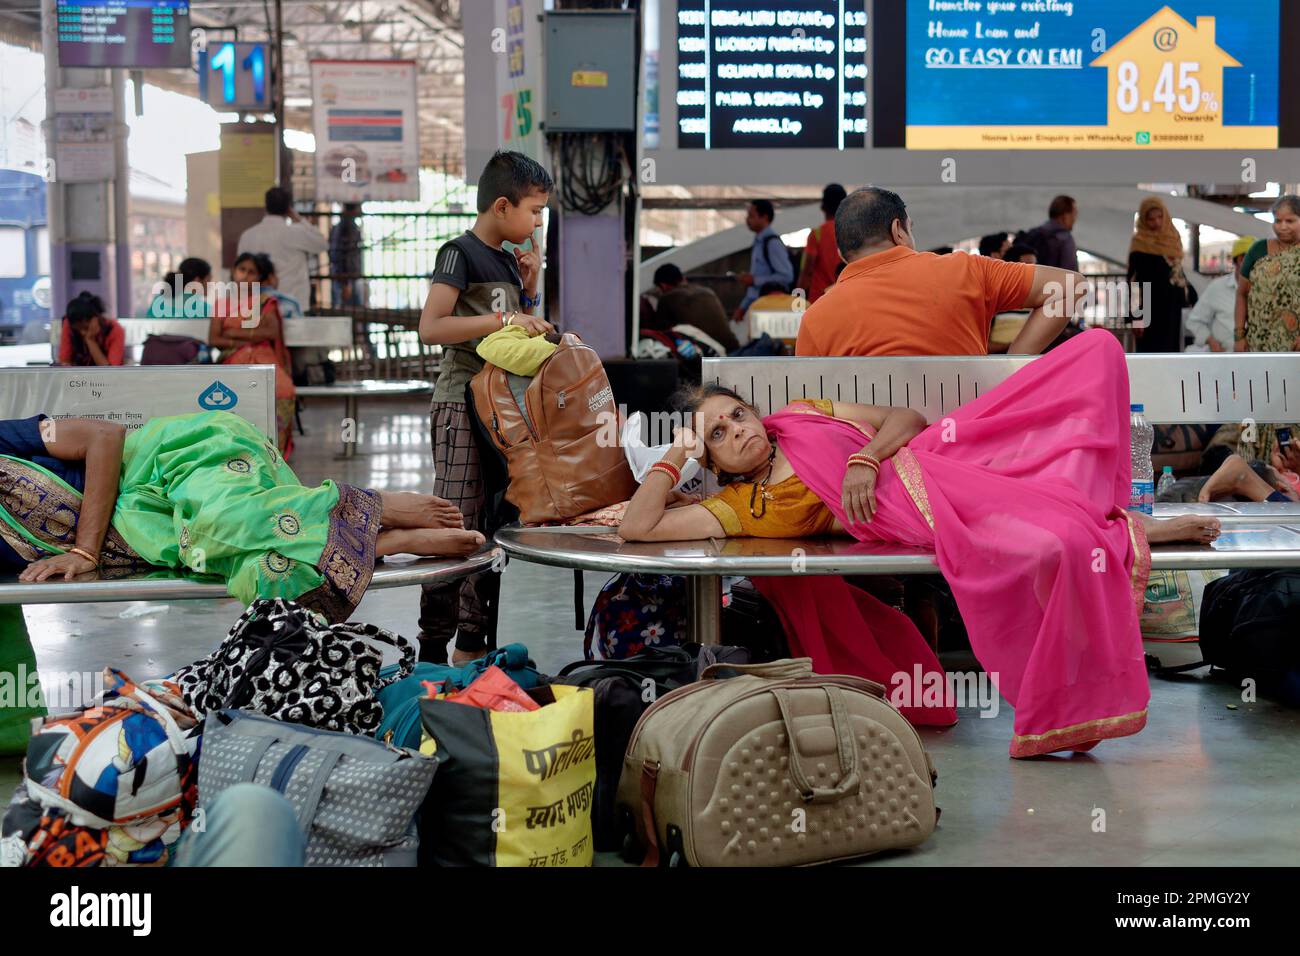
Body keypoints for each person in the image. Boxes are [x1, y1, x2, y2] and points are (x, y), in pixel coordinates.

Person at [620, 330, 1221, 757]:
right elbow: (638, 528)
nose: (738, 432)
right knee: (1054, 541)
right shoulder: (737, 508)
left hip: (934, 460)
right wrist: (677, 453)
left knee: (1096, 352)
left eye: (737, 415)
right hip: (932, 515)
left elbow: (904, 419)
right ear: (711, 459)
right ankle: (1129, 532)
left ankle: (1122, 525)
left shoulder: (803, 416)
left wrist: (864, 456)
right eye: (718, 435)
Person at [1, 412, 483, 621]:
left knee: (219, 522)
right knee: (261, 576)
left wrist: (84, 549)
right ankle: (382, 543)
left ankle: (367, 506)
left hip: (171, 465)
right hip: (150, 534)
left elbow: (104, 437)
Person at [417, 149, 553, 665]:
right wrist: (504, 322)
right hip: (460, 406)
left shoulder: (508, 261)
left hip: (500, 412)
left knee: (490, 529)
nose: (538, 221)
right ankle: (431, 650)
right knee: (454, 524)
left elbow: (516, 329)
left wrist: (530, 290)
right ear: (502, 206)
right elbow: (432, 327)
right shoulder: (460, 253)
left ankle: (473, 645)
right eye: (534, 210)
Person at [796, 186, 1081, 357]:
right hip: (967, 443)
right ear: (898, 231)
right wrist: (1010, 366)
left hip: (869, 452)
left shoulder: (815, 320)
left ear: (842, 254)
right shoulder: (966, 270)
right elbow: (1070, 287)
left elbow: (810, 411)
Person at [1234, 194, 1300, 463]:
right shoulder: (1258, 250)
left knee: (1290, 401)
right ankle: (1254, 468)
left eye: (1290, 220)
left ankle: (1290, 468)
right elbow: (1242, 294)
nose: (1283, 226)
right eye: (1277, 221)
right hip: (1259, 344)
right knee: (1257, 401)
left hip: (1294, 348)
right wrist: (1239, 334)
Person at [209, 252, 296, 456]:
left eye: (252, 272)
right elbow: (214, 339)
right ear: (233, 271)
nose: (245, 276)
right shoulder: (222, 303)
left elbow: (271, 332)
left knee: (284, 390)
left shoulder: (266, 301)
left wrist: (232, 333)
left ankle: (275, 454)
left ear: (259, 278)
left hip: (264, 357)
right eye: (242, 270)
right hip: (233, 359)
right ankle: (238, 453)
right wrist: (252, 336)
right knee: (235, 395)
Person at [236, 187, 328, 311]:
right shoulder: (296, 233)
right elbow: (322, 244)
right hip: (293, 304)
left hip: (258, 305)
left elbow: (241, 270)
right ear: (288, 209)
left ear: (266, 206)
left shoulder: (248, 235)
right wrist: (299, 219)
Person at [1127, 197, 1197, 354]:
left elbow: (1178, 274)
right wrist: (1137, 316)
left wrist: (1193, 298)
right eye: (1151, 219)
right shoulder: (1140, 243)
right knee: (1152, 358)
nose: (1157, 222)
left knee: (1175, 356)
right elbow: (1134, 282)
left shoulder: (1172, 239)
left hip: (1175, 310)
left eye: (1160, 217)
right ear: (1144, 221)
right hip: (1152, 313)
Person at [648, 263, 738, 353]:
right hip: (733, 349)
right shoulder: (707, 291)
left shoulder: (667, 298)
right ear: (682, 278)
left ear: (663, 285)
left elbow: (661, 334)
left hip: (709, 355)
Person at [1186, 236, 1254, 353]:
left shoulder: (1267, 290)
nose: (1250, 264)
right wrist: (1211, 341)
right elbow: (1194, 321)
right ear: (1236, 261)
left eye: (1254, 259)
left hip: (1258, 359)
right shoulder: (1217, 287)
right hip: (1223, 358)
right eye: (1244, 258)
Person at [732, 199, 794, 324]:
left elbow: (786, 276)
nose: (747, 220)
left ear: (764, 217)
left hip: (771, 309)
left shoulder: (772, 243)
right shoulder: (759, 242)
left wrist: (755, 280)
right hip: (760, 307)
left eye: (751, 216)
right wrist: (743, 306)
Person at [796, 183, 847, 304]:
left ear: (823, 207)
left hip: (819, 301)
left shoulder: (816, 234)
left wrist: (796, 299)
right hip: (844, 298)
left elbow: (806, 272)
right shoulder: (853, 233)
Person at [58, 292, 125, 367]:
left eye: (85, 328)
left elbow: (110, 371)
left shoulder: (114, 330)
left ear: (96, 318)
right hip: (77, 377)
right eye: (78, 329)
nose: (82, 333)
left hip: (105, 377)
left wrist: (90, 340)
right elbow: (64, 362)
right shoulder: (69, 324)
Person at [1023, 195, 1079, 271]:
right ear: (1065, 215)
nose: (1074, 219)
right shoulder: (1065, 239)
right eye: (1074, 214)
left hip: (1032, 281)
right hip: (1053, 282)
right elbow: (1070, 275)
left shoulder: (1034, 233)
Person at [147, 257, 212, 319]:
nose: (210, 285)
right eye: (208, 280)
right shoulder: (204, 309)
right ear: (197, 281)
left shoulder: (158, 301)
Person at [329, 203, 365, 307]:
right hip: (347, 277)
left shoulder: (340, 226)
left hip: (343, 276)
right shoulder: (348, 227)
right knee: (350, 310)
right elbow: (344, 253)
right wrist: (346, 282)